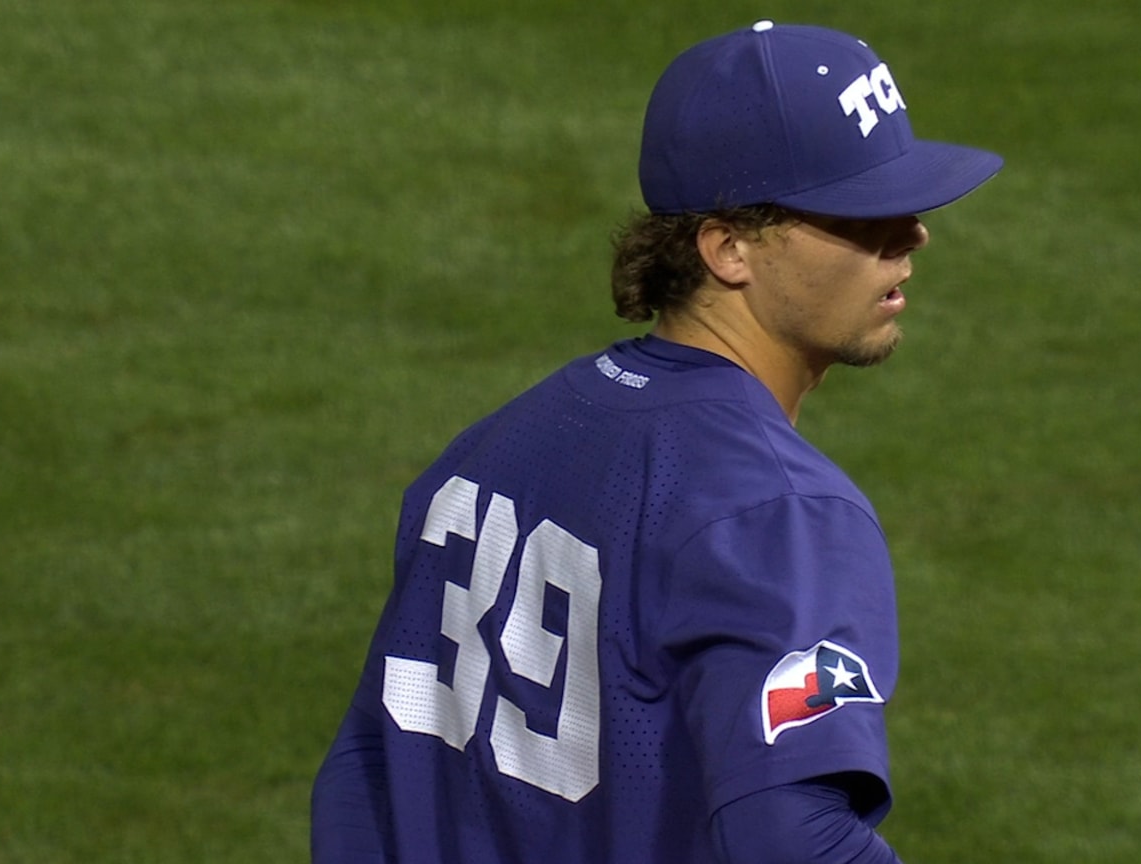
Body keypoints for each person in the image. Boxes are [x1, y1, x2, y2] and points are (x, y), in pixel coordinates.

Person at [311, 19, 1001, 864]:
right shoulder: (775, 510)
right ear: (728, 248)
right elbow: (794, 841)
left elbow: (366, 775)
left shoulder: (491, 451)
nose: (912, 234)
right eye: (860, 213)